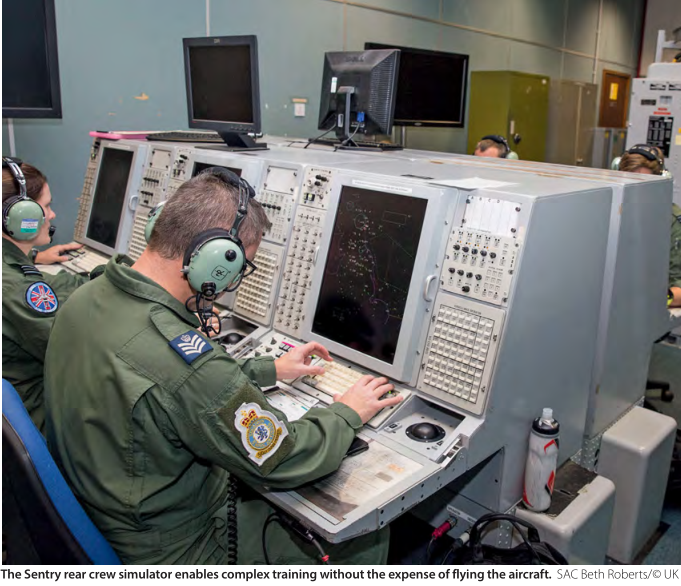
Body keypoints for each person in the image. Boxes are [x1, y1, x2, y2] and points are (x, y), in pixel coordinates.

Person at [43, 169, 404, 565]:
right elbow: (285, 458)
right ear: (217, 259)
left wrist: (271, 369)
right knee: (366, 535)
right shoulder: (186, 364)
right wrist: (345, 413)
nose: (232, 280)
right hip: (178, 549)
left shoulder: (86, 295)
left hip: (100, 511)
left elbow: (171, 388)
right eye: (238, 265)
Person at [1, 157, 97, 432]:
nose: (52, 215)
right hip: (35, 419)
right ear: (21, 216)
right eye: (46, 206)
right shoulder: (16, 288)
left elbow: (52, 287)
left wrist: (33, 256)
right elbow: (81, 352)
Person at [618, 146, 681, 307]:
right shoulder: (610, 211)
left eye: (644, 185)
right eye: (630, 184)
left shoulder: (673, 221)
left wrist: (659, 299)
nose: (636, 193)